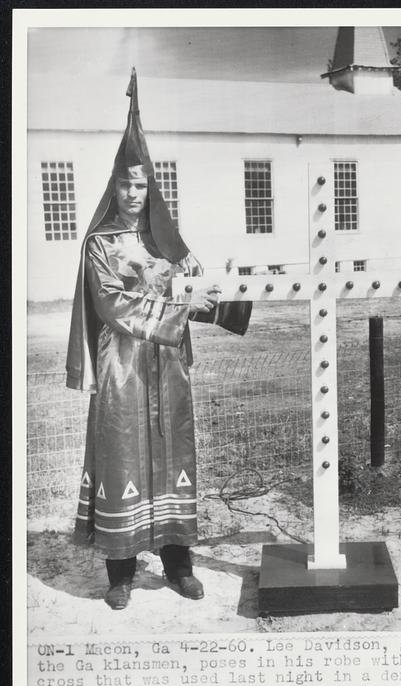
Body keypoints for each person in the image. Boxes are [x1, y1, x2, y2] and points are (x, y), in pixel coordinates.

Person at [66, 69, 251, 610]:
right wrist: (177, 310)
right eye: (125, 183)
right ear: (114, 186)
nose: (132, 193)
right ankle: (120, 571)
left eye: (141, 184)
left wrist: (234, 304)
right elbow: (112, 304)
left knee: (173, 456)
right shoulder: (100, 243)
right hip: (122, 366)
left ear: (152, 188)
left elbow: (196, 291)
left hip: (169, 370)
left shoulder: (168, 242)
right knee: (121, 456)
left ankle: (178, 566)